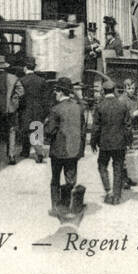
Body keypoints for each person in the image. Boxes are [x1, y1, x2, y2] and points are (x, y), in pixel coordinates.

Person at [45, 76, 86, 217]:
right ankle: (69, 204)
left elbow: (49, 131)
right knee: (71, 179)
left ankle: (56, 207)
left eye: (56, 91)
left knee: (55, 179)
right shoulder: (79, 108)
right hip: (74, 150)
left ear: (61, 92)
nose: (55, 94)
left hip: (58, 151)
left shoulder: (55, 110)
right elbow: (83, 129)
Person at [91, 80, 130, 205]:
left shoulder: (99, 106)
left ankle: (108, 191)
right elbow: (127, 126)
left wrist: (93, 142)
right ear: (114, 90)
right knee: (118, 168)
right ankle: (117, 196)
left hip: (105, 143)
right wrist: (128, 142)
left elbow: (96, 127)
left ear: (103, 91)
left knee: (102, 166)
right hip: (120, 143)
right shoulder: (122, 105)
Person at [0, 55, 24, 165]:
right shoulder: (13, 77)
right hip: (10, 109)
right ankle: (11, 156)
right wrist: (13, 99)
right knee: (11, 131)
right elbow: (21, 91)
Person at [18, 57, 50, 162]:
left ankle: (25, 151)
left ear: (25, 67)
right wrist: (45, 112)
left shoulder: (21, 80)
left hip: (25, 109)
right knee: (37, 130)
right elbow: (46, 99)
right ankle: (38, 152)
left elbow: (20, 97)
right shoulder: (42, 81)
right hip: (38, 109)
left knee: (25, 130)